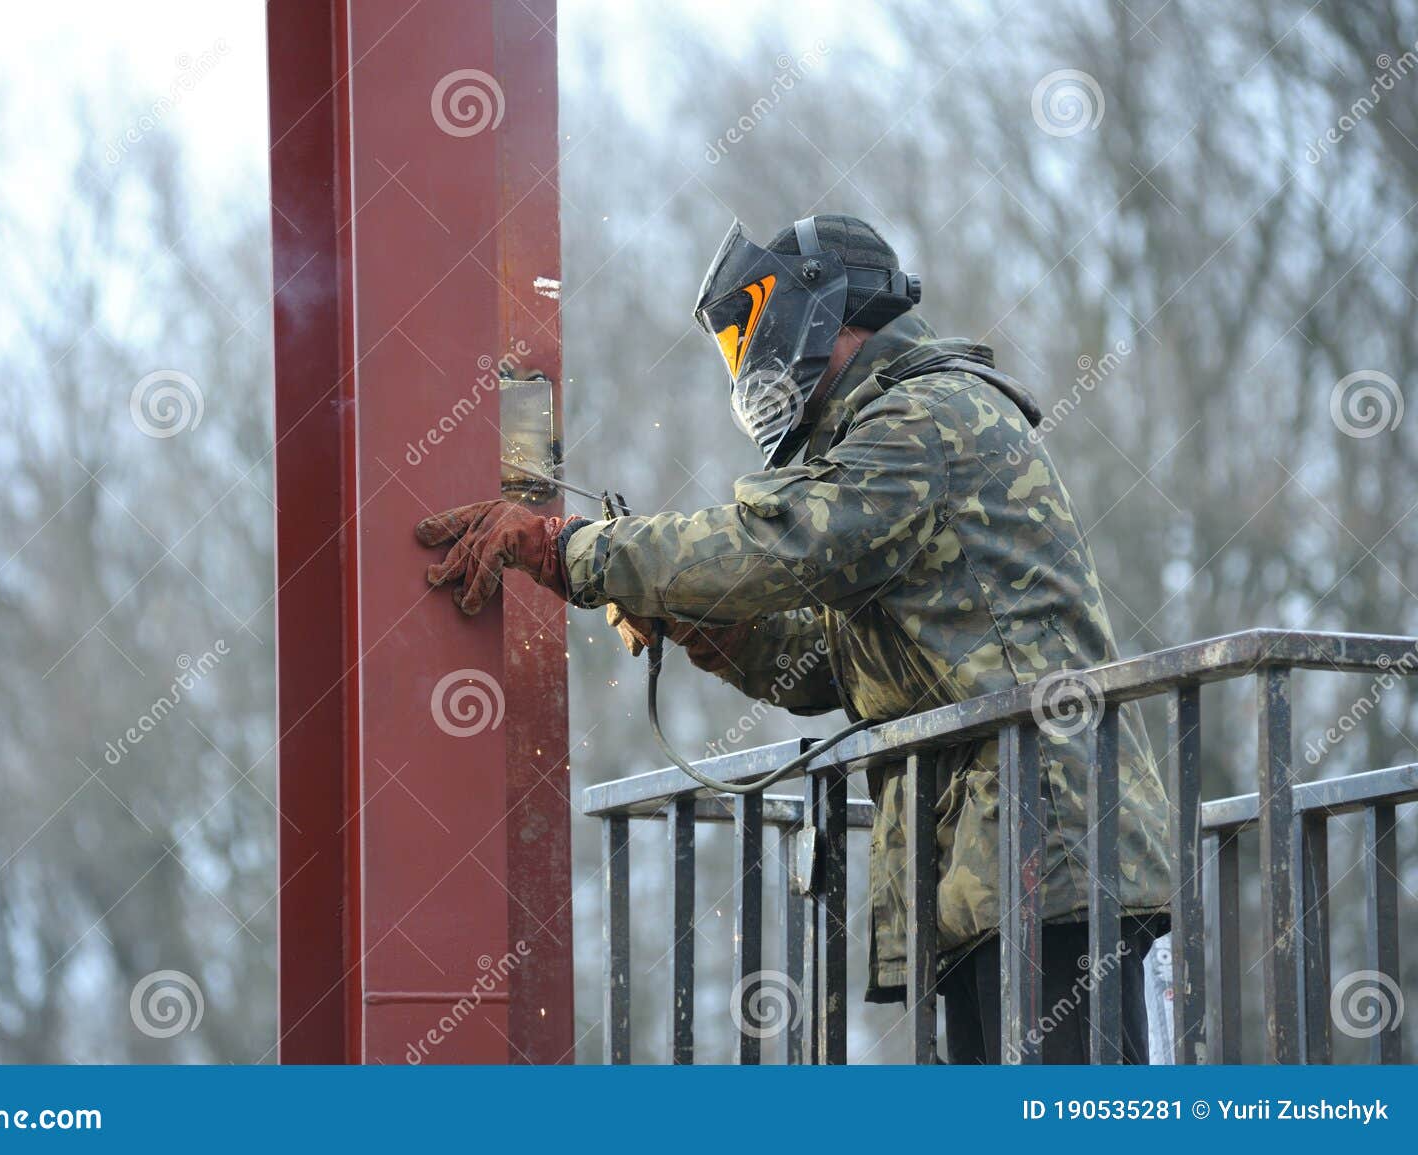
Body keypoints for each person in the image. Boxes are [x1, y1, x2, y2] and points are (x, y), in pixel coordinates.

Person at [416, 214, 1172, 1063]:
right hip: (986, 859)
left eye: (753, 331)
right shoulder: (881, 445)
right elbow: (820, 660)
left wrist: (568, 548)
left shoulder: (925, 416)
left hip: (1047, 844)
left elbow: (784, 547)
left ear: (828, 309)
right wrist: (712, 629)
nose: (750, 362)